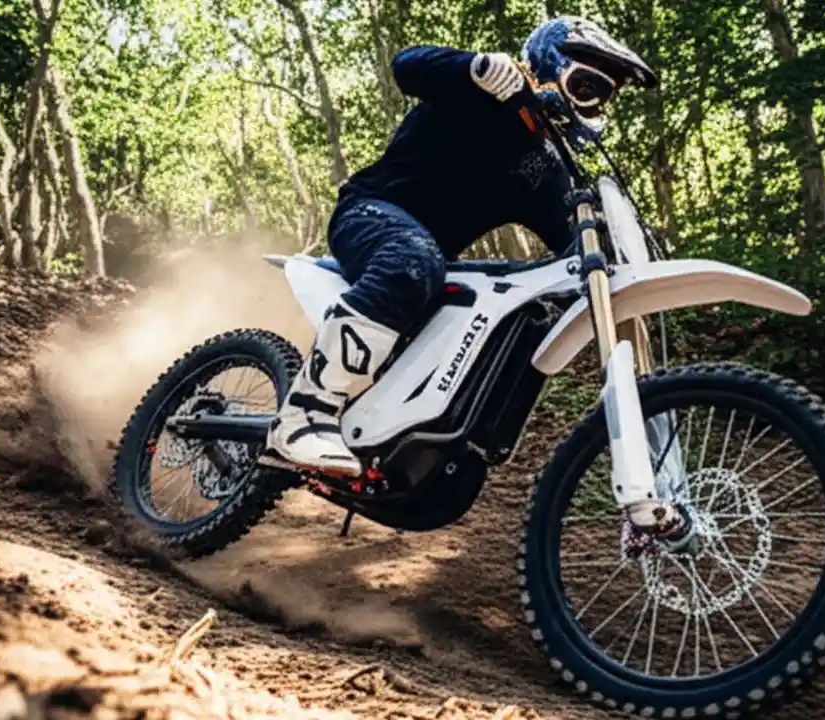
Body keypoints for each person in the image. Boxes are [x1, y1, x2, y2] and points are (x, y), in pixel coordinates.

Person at [259, 16, 657, 477]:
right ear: (552, 66)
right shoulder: (481, 91)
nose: (593, 103)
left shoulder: (548, 169)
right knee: (414, 259)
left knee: (521, 304)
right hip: (371, 212)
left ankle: (434, 444)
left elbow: (571, 251)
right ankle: (303, 414)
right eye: (586, 85)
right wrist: (475, 66)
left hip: (432, 259)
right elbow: (407, 66)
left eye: (603, 96)